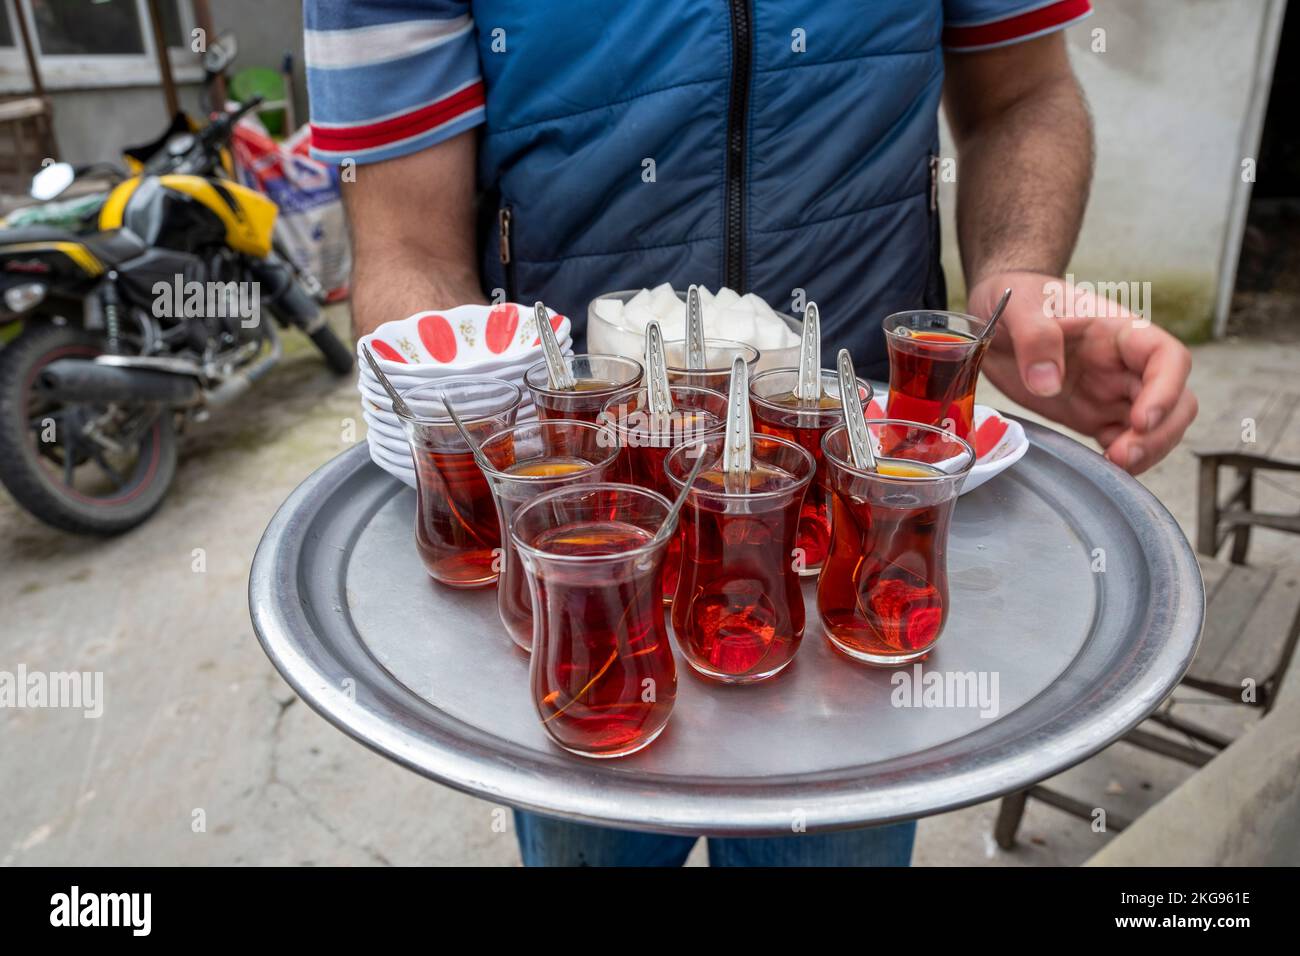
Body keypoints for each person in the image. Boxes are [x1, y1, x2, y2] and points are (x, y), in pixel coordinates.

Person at [304, 0, 1198, 865]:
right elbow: (405, 241)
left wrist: (1021, 276)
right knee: (593, 782)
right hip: (581, 568)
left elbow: (1022, 94)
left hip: (857, 543)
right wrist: (475, 435)